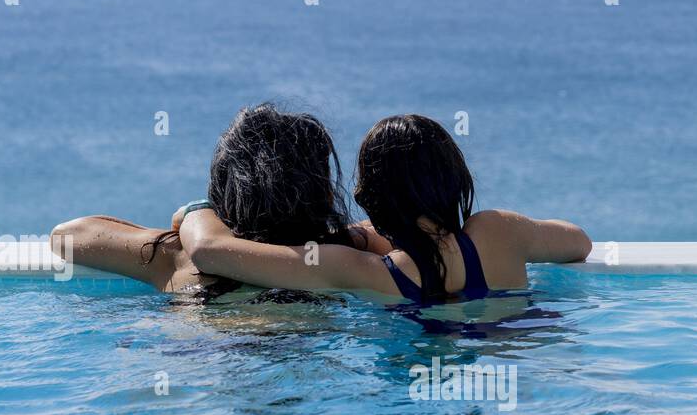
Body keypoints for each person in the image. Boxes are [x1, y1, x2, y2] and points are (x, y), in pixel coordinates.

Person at [177, 114, 591, 303]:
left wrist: (199, 208)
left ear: (370, 199)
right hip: (523, 344)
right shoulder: (502, 232)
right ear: (456, 179)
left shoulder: (365, 271)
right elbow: (580, 243)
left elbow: (208, 251)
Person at [50, 104, 365, 295]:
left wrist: (197, 212)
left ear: (224, 193)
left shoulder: (178, 257)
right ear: (321, 194)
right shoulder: (340, 259)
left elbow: (67, 236)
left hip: (199, 358)